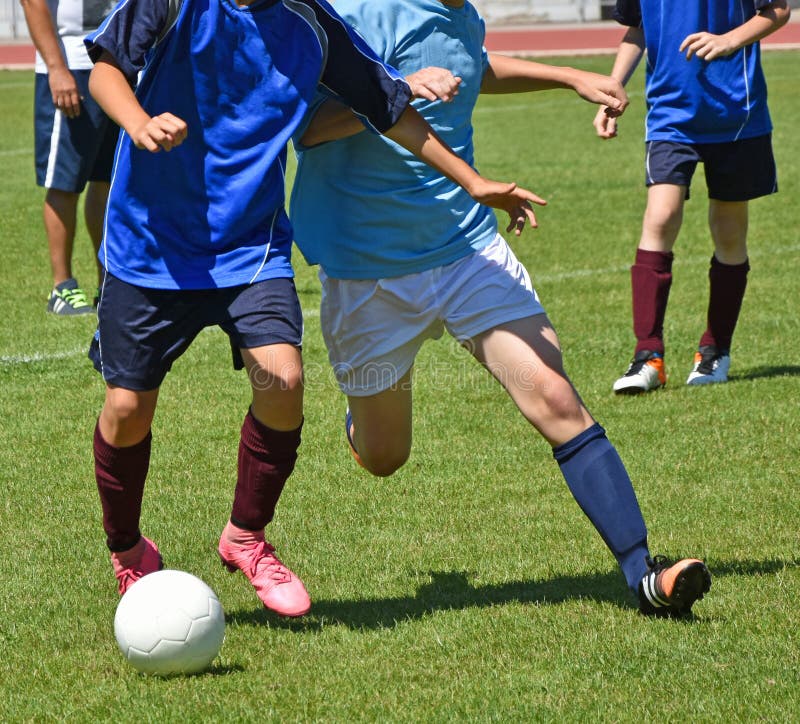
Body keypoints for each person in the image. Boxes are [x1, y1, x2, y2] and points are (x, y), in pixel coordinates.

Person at [83, 0, 542, 617]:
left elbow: (387, 108)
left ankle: (245, 538)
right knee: (127, 407)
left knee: (284, 378)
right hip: (150, 243)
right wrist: (138, 121)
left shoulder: (310, 22)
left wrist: (473, 182)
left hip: (249, 241)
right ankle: (127, 549)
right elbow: (106, 68)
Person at [290, 0, 712, 617]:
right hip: (369, 272)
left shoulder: (463, 15)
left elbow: (473, 67)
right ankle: (362, 428)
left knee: (554, 396)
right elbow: (305, 125)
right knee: (385, 457)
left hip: (467, 251)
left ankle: (643, 574)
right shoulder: (358, 14)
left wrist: (570, 77)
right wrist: (395, 92)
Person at [594, 0, 791, 394]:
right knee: (661, 216)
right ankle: (647, 358)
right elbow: (637, 28)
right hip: (671, 114)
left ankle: (714, 350)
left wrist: (728, 41)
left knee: (729, 231)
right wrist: (612, 88)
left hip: (737, 114)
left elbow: (779, 10)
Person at [20, 0, 119, 315]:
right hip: (71, 67)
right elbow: (32, 3)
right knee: (65, 181)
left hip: (114, 66)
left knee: (107, 180)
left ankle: (108, 285)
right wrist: (56, 68)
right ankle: (62, 288)